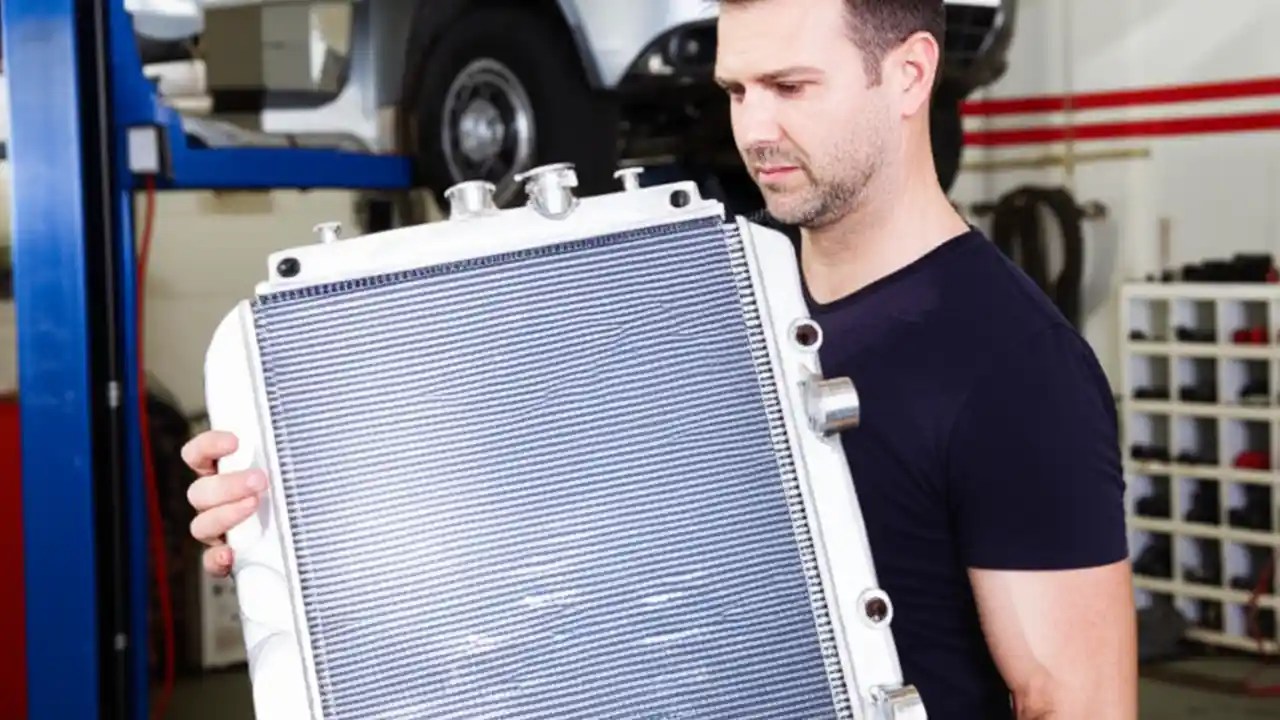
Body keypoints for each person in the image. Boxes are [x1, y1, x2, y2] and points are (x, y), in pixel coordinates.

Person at [181, 0, 1138, 717]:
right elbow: (539, 546)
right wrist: (294, 531)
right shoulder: (691, 296)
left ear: (910, 74)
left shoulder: (1013, 368)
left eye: (792, 88)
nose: (754, 130)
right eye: (735, 90)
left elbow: (1073, 700)